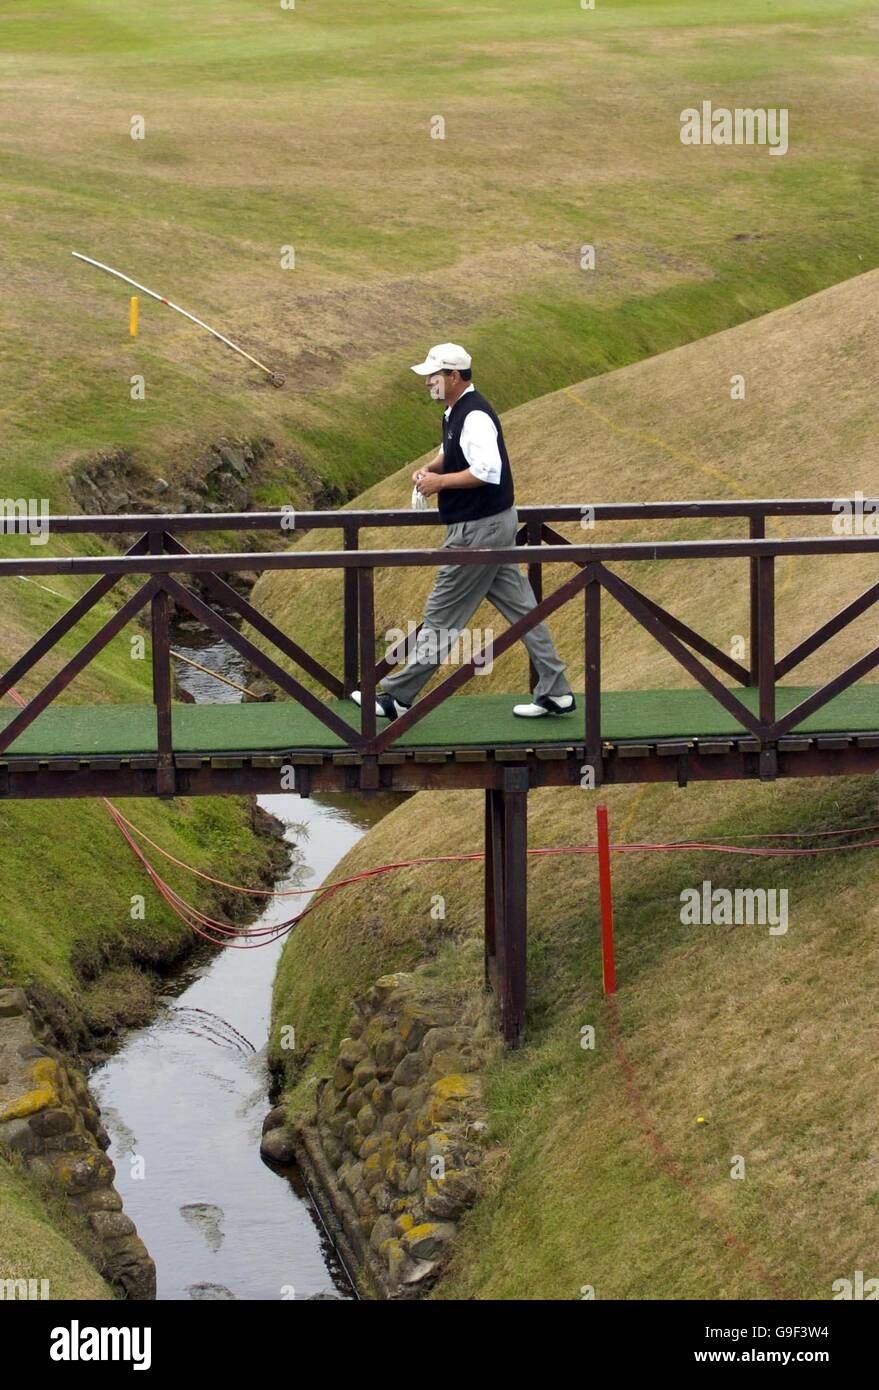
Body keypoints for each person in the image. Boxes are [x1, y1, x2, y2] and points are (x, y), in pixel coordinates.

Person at [352, 342, 574, 720]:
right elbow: (450, 450)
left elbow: (488, 470)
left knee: (441, 612)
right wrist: (431, 468)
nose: (428, 383)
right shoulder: (457, 411)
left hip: (477, 530)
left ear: (454, 376)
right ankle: (557, 691)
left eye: (433, 376)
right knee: (522, 609)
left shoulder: (474, 415)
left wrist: (440, 484)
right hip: (493, 524)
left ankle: (397, 696)